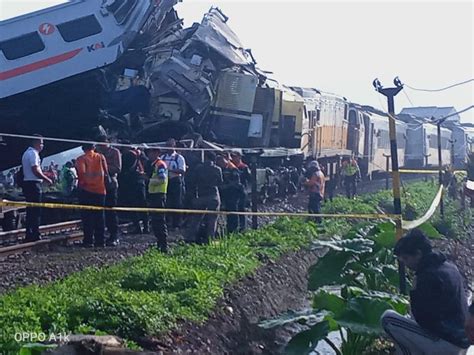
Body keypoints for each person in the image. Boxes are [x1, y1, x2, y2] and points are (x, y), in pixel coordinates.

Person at [381, 229, 471, 354]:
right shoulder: (449, 267)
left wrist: (414, 290)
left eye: (406, 258)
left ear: (418, 254)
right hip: (462, 341)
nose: (405, 264)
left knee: (387, 318)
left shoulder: (426, 277)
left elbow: (422, 319)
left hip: (447, 343)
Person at [185, 151, 223, 244]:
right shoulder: (217, 169)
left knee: (196, 218)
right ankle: (210, 239)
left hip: (201, 195)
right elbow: (220, 182)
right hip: (213, 195)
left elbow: (192, 181)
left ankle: (190, 238)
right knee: (212, 219)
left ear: (205, 157)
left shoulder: (198, 168)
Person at [76, 143, 108, 247]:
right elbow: (106, 172)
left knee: (87, 217)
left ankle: (88, 241)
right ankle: (100, 241)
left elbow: (81, 173)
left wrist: (82, 186)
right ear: (93, 148)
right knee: (100, 217)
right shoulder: (101, 157)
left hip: (87, 191)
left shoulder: (81, 159)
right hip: (100, 190)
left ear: (83, 148)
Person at [21, 135, 52, 242]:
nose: (42, 145)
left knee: (30, 210)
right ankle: (35, 234)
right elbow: (35, 170)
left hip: (27, 183)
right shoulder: (33, 154)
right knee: (36, 211)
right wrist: (47, 179)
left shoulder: (26, 153)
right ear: (36, 143)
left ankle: (29, 234)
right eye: (41, 143)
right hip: (34, 184)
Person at [96, 135, 122, 246]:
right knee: (98, 212)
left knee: (111, 211)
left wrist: (104, 168)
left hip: (110, 184)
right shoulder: (96, 153)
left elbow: (118, 168)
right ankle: (100, 236)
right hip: (97, 185)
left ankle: (114, 235)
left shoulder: (115, 152)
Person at [119, 143, 149, 234]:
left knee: (133, 206)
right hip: (140, 181)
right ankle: (146, 226)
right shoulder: (140, 155)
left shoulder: (126, 155)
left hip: (130, 183)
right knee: (143, 205)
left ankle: (137, 227)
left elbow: (122, 169)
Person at [161, 138, 186, 229]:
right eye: (167, 146)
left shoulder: (179, 157)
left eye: (170, 146)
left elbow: (182, 170)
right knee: (167, 201)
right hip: (165, 181)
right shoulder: (163, 157)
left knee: (177, 202)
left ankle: (177, 223)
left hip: (175, 181)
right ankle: (167, 221)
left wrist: (170, 170)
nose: (168, 148)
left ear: (174, 146)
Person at [147, 147, 169, 252]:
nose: (148, 155)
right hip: (154, 194)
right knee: (155, 221)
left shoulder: (160, 164)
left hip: (159, 195)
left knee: (159, 220)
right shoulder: (154, 164)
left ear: (156, 153)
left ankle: (163, 244)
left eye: (150, 152)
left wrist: (148, 180)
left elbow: (162, 179)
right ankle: (159, 243)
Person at [216, 154, 244, 233]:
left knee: (233, 211)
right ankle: (229, 228)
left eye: (220, 161)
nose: (219, 163)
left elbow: (236, 182)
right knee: (229, 211)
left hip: (234, 193)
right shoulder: (222, 168)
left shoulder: (232, 168)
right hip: (227, 193)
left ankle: (234, 229)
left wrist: (225, 186)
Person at [231, 152, 250, 231]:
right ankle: (233, 227)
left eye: (235, 157)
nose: (233, 158)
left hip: (242, 191)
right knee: (233, 210)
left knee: (241, 209)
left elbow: (249, 178)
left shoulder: (244, 167)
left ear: (239, 157)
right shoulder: (231, 166)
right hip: (233, 191)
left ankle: (243, 227)